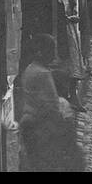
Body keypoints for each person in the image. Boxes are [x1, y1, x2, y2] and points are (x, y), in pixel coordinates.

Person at [16, 34, 83, 172]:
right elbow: (51, 107)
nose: (53, 55)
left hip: (29, 122)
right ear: (41, 52)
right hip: (41, 126)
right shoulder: (42, 73)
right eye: (51, 51)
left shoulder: (30, 68)